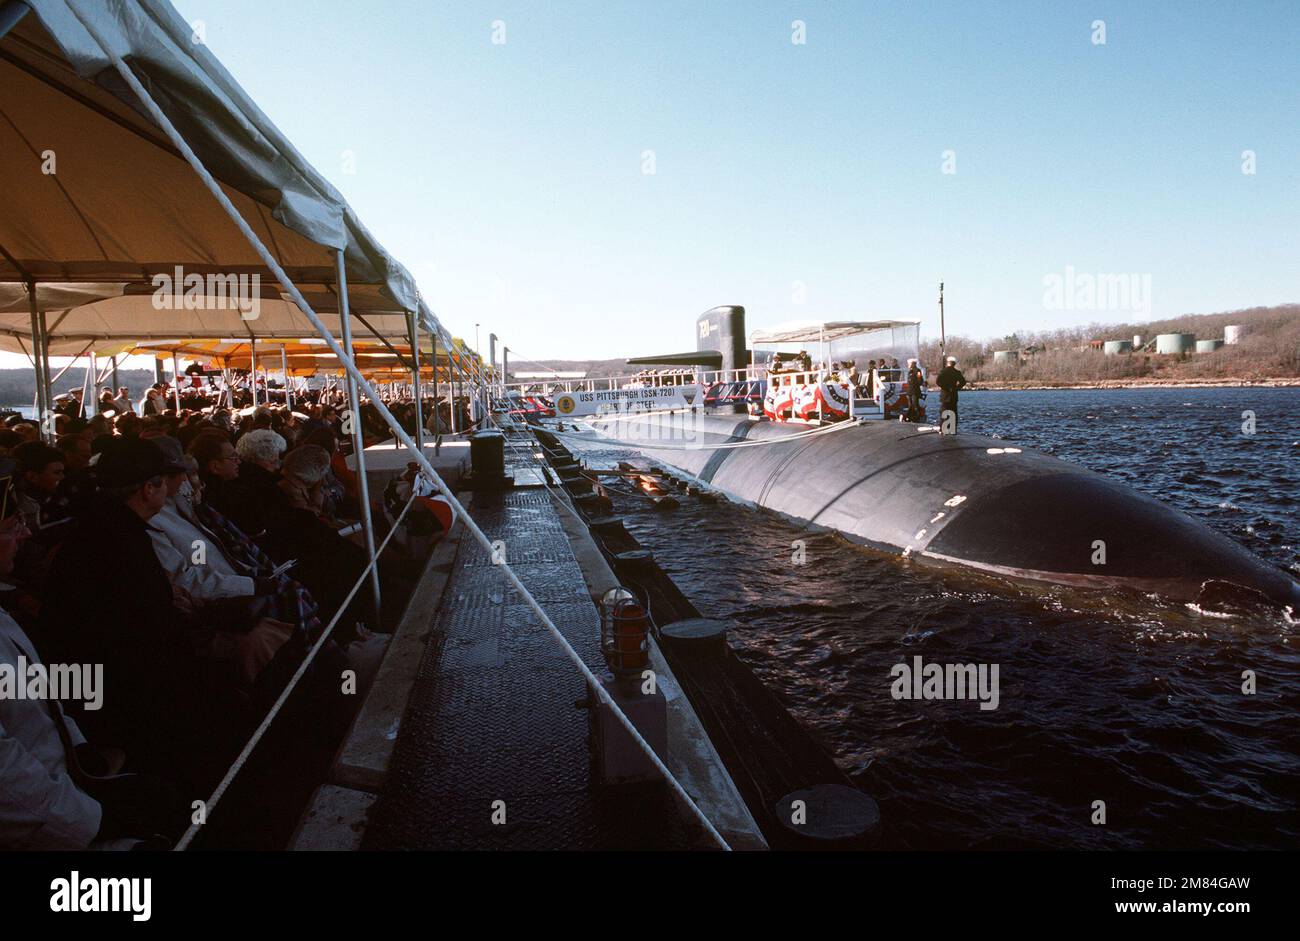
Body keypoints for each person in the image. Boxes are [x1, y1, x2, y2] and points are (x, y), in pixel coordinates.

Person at [936, 355, 967, 433]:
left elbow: (938, 381)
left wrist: (945, 387)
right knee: (953, 412)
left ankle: (943, 429)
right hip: (953, 395)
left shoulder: (943, 371)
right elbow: (963, 382)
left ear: (948, 363)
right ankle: (952, 429)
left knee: (944, 411)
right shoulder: (957, 372)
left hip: (945, 395)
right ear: (954, 364)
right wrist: (956, 388)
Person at [906, 358, 925, 423]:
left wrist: (917, 383)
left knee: (915, 405)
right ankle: (910, 417)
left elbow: (920, 380)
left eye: (909, 363)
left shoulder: (918, 371)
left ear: (913, 364)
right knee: (910, 405)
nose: (908, 365)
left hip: (915, 391)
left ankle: (916, 418)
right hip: (909, 391)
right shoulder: (910, 371)